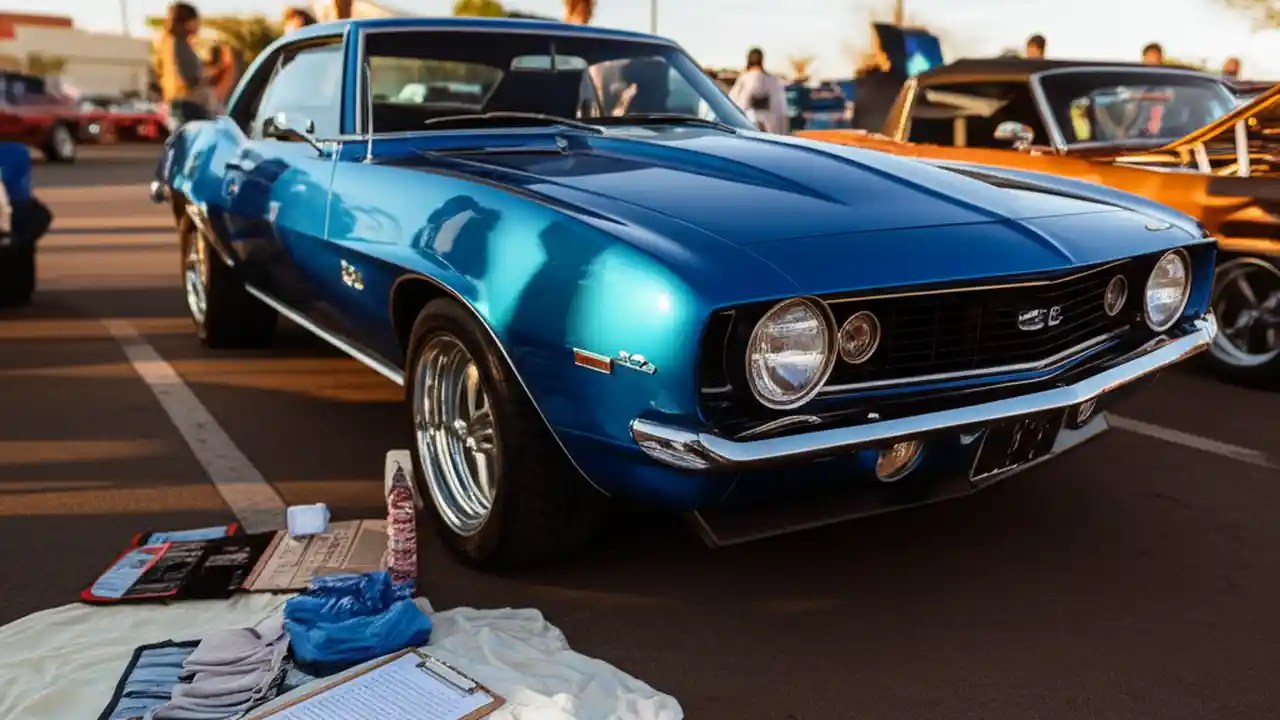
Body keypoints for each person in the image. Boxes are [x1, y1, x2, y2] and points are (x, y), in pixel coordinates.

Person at [155, 2, 213, 127]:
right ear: (187, 22)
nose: (198, 25)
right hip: (189, 106)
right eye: (196, 21)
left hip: (176, 104)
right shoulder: (179, 45)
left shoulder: (167, 42)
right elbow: (190, 78)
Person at [728, 47, 788, 133]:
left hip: (748, 126)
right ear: (762, 59)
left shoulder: (744, 78)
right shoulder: (772, 80)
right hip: (770, 128)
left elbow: (733, 102)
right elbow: (780, 107)